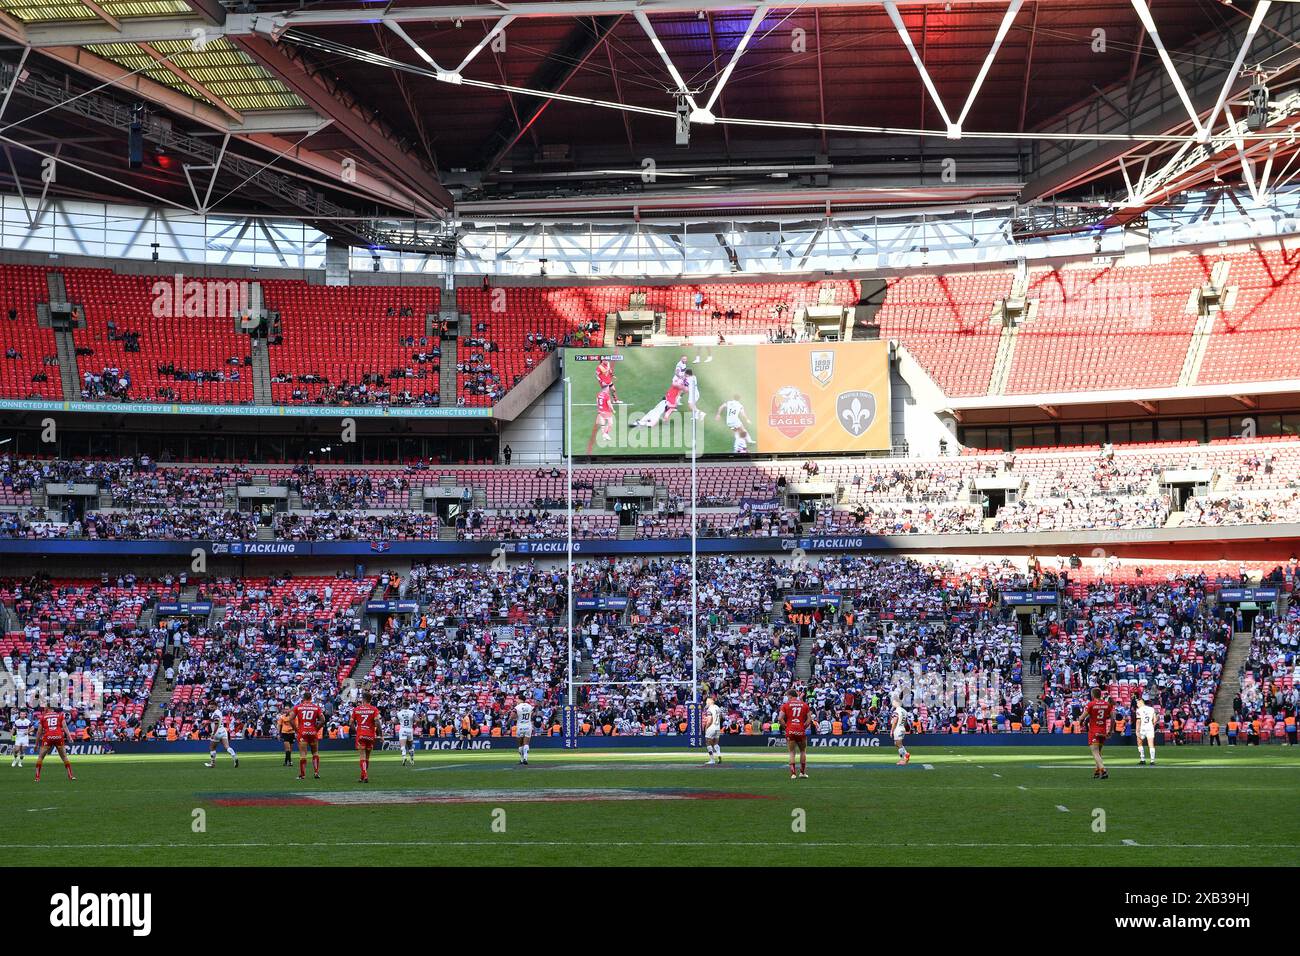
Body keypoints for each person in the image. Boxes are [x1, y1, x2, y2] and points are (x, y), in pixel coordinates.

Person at [33, 706, 75, 782]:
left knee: (41, 757)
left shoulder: (43, 717)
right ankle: (71, 775)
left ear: (49, 709)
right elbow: (65, 726)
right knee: (64, 757)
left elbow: (39, 732)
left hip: (48, 737)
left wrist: (36, 744)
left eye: (45, 709)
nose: (44, 710)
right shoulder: (60, 716)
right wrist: (70, 737)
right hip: (58, 736)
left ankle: (37, 777)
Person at [779, 687, 812, 780]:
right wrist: (804, 727)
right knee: (803, 751)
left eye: (787, 696)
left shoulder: (785, 705)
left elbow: (780, 718)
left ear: (790, 696)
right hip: (800, 730)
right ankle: (802, 773)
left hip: (790, 730)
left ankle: (793, 774)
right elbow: (809, 719)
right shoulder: (804, 705)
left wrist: (786, 727)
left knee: (792, 752)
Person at [293, 690, 324, 780]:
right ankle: (316, 772)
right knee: (315, 752)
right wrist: (316, 729)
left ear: (303, 698)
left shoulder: (298, 707)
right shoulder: (316, 708)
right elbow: (323, 720)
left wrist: (296, 730)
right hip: (312, 732)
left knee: (303, 754)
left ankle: (302, 775)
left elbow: (290, 719)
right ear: (311, 698)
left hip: (302, 732)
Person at [1084, 687, 1114, 779]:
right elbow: (1113, 718)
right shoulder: (1107, 704)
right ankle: (1097, 771)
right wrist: (1110, 731)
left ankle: (1103, 770)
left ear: (1093, 695)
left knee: (1095, 752)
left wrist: (1080, 721)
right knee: (1098, 752)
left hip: (1094, 731)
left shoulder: (1091, 704)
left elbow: (1082, 717)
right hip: (1103, 731)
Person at [353, 691, 380, 784]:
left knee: (362, 756)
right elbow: (377, 723)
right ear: (370, 700)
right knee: (367, 757)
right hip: (370, 735)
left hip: (361, 734)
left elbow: (351, 723)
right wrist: (380, 735)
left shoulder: (356, 709)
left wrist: (356, 731)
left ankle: (365, 775)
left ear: (363, 699)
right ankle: (362, 776)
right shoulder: (374, 709)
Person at [1134, 694, 1157, 766]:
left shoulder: (1139, 710)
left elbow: (1138, 721)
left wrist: (1137, 731)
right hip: (1150, 728)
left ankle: (1142, 759)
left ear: (1141, 702)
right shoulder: (1151, 709)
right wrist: (1152, 726)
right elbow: (1155, 720)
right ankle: (1152, 761)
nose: (1137, 704)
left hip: (1142, 728)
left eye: (1137, 703)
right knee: (1151, 744)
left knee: (1139, 742)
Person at [514, 695, 534, 765]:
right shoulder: (529, 706)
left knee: (520, 744)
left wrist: (509, 722)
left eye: (517, 699)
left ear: (520, 700)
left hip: (520, 726)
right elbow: (533, 714)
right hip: (528, 726)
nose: (516, 700)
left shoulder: (517, 707)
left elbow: (513, 715)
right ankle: (525, 758)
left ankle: (521, 759)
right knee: (526, 743)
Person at [396, 700, 416, 766]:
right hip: (410, 729)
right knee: (410, 746)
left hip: (403, 729)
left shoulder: (399, 713)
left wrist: (399, 720)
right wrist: (414, 721)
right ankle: (412, 759)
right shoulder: (412, 712)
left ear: (403, 705)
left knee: (402, 746)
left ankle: (404, 757)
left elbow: (395, 721)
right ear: (408, 706)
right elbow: (417, 720)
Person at [703, 696, 722, 765]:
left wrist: (706, 728)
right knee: (716, 743)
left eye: (707, 701)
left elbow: (710, 720)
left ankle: (712, 760)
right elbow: (720, 716)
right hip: (718, 727)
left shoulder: (710, 709)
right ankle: (719, 755)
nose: (706, 702)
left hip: (711, 727)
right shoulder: (717, 707)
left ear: (711, 701)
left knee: (708, 742)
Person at [891, 700, 911, 765]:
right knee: (896, 744)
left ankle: (903, 760)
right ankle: (906, 754)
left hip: (898, 729)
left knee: (899, 745)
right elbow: (906, 722)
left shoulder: (896, 711)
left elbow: (895, 721)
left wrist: (891, 730)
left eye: (893, 702)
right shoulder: (904, 711)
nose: (892, 704)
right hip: (902, 728)